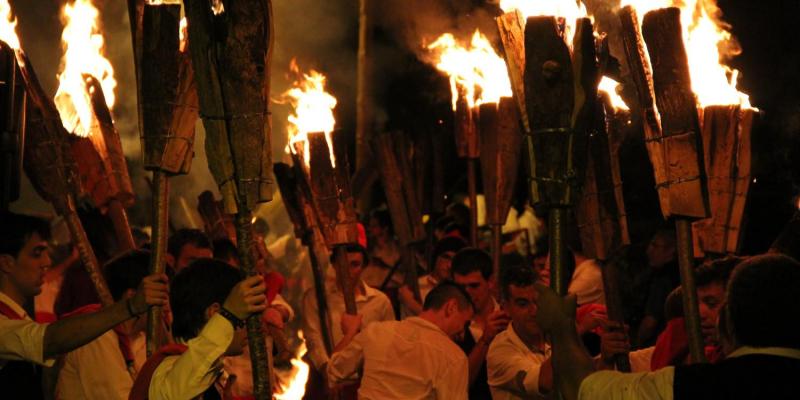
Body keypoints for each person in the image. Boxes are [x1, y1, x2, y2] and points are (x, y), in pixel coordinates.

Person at [536, 253, 800, 400]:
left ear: (728, 317)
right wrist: (607, 357)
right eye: (695, 303)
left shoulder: (692, 386)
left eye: (712, 303)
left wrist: (561, 326)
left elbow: (584, 389)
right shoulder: (679, 350)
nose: (700, 314)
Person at [0, 212, 169, 399]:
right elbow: (47, 340)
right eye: (37, 254)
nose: (47, 262)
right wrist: (129, 308)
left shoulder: (20, 318)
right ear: (7, 262)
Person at [129, 259, 267, 400]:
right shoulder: (169, 367)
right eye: (244, 316)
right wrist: (228, 316)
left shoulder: (210, 371)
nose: (250, 329)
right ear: (214, 313)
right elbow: (173, 394)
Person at [327, 282, 474, 399]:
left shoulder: (377, 331)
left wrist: (350, 332)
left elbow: (334, 370)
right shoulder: (454, 357)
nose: (462, 333)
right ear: (452, 307)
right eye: (465, 323)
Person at [56, 250, 151, 399]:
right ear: (133, 296)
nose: (167, 307)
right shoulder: (97, 336)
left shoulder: (143, 338)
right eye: (161, 295)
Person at [301, 244, 394, 385]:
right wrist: (327, 372)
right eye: (343, 264)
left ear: (363, 267)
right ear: (334, 265)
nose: (348, 271)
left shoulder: (379, 301)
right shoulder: (316, 298)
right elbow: (314, 339)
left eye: (355, 265)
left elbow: (389, 343)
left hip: (370, 381)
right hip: (329, 378)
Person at [451, 248, 511, 399]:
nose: (467, 292)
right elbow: (459, 382)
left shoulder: (510, 314)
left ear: (490, 282)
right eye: (461, 287)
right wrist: (485, 339)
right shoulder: (450, 325)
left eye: (474, 286)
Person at [487, 263, 553, 399]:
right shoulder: (500, 349)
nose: (533, 311)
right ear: (505, 308)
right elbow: (544, 382)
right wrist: (571, 334)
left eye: (537, 301)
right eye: (523, 304)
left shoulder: (551, 337)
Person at [398, 236, 467, 316]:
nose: (450, 265)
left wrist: (411, 303)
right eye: (446, 257)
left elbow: (444, 326)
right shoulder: (416, 286)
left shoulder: (461, 291)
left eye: (454, 261)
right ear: (436, 258)